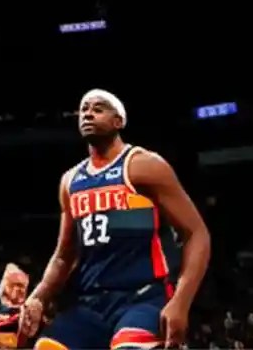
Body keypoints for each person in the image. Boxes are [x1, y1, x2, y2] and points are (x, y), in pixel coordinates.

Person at [20, 90, 211, 350]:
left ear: (118, 121)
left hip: (144, 297)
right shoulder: (70, 181)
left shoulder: (144, 165)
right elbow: (64, 256)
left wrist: (181, 301)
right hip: (90, 304)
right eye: (83, 109)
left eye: (98, 109)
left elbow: (196, 233)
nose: (87, 113)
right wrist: (38, 297)